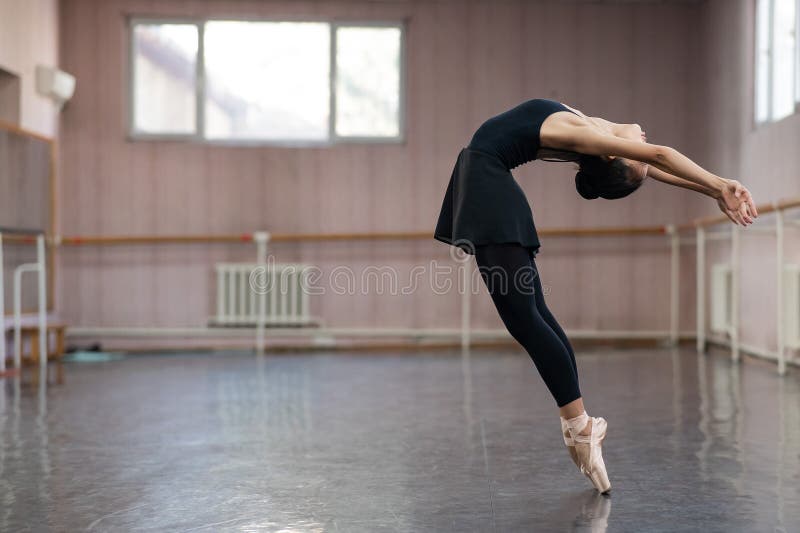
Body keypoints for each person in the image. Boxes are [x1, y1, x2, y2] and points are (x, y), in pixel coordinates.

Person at [433, 98, 757, 494]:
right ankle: (579, 427)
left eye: (633, 161)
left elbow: (658, 157)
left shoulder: (589, 138)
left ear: (611, 157)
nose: (643, 145)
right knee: (532, 316)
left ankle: (579, 426)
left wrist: (718, 187)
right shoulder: (593, 133)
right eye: (638, 163)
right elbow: (656, 161)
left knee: (529, 318)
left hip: (488, 187)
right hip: (489, 184)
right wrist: (713, 187)